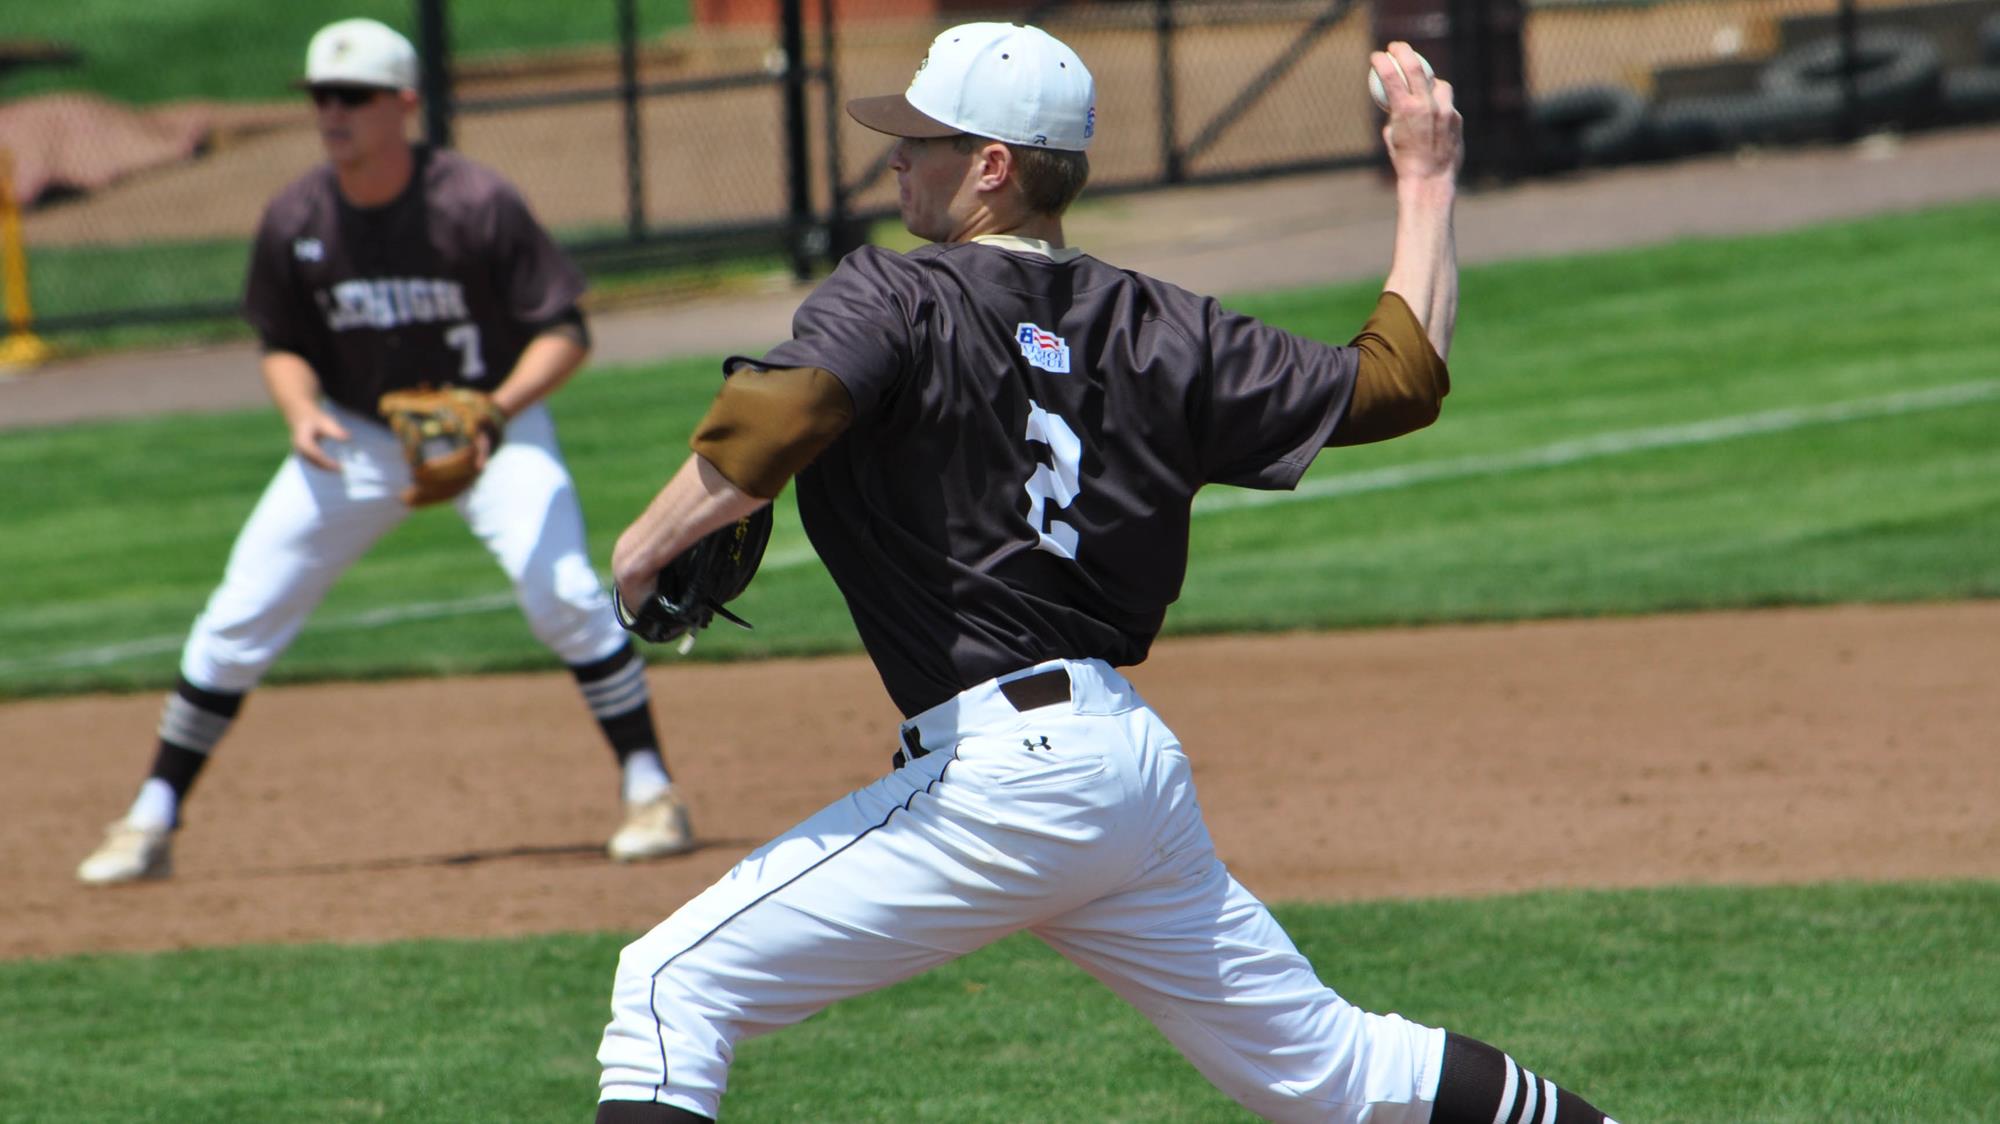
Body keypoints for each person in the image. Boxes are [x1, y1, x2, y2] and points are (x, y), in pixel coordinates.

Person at [593, 23, 1623, 1123]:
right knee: (1338, 1070)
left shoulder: (896, 293)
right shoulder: (1163, 326)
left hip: (1004, 780)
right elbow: (1397, 381)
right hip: (1125, 777)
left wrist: (639, 547)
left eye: (921, 139)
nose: (893, 156)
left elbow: (781, 412)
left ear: (992, 165)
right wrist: (1424, 176)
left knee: (669, 984)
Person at [75, 17, 694, 886]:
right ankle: (150, 818)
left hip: (493, 429)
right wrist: (298, 411)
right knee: (240, 614)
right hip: (358, 438)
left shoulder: (473, 202)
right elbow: (281, 339)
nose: (333, 112)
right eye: (322, 96)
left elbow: (565, 331)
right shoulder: (297, 215)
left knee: (561, 591)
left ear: (404, 103)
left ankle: (652, 789)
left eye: (354, 96)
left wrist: (495, 410)